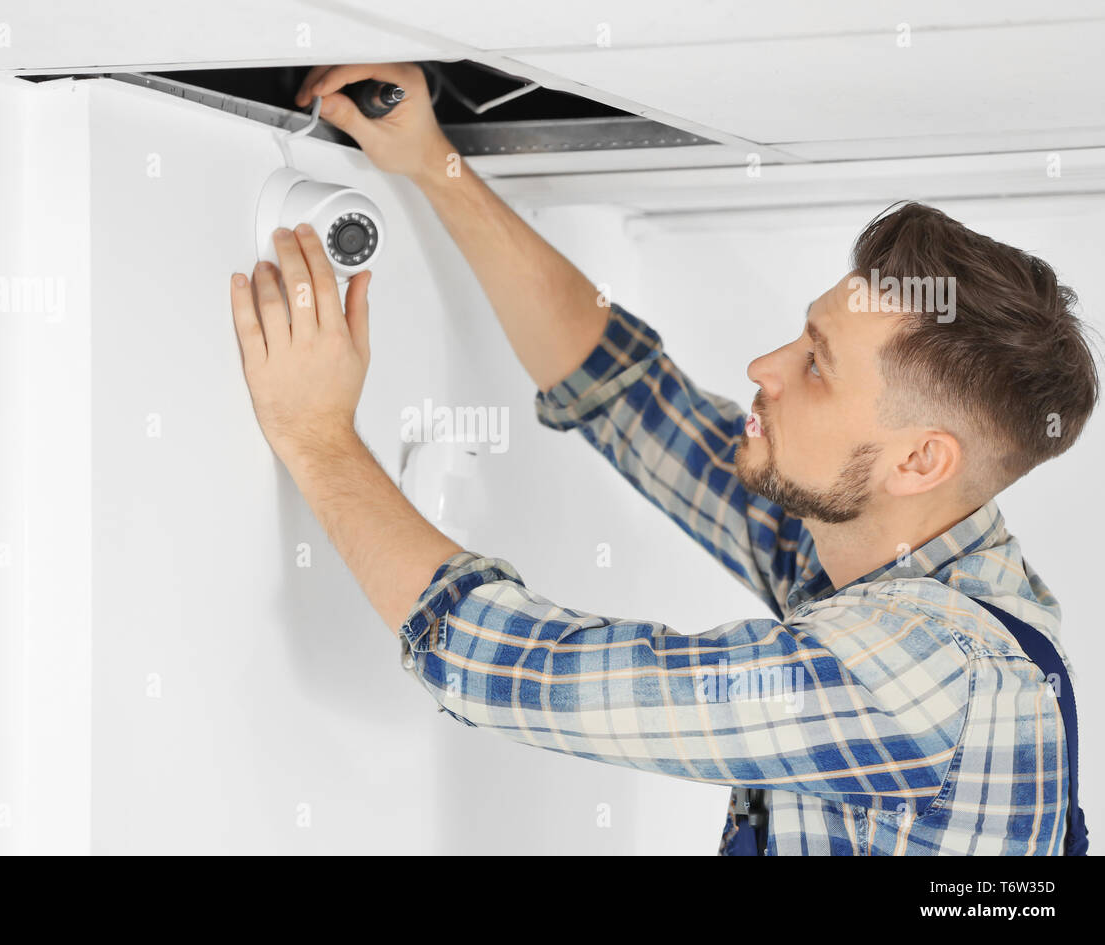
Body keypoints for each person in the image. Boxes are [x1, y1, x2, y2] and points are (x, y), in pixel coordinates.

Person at [228, 62, 1099, 855]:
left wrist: (317, 434)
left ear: (920, 461)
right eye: (802, 335)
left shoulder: (924, 672)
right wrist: (431, 162)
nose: (765, 368)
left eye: (817, 366)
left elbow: (510, 667)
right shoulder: (879, 538)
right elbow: (626, 391)